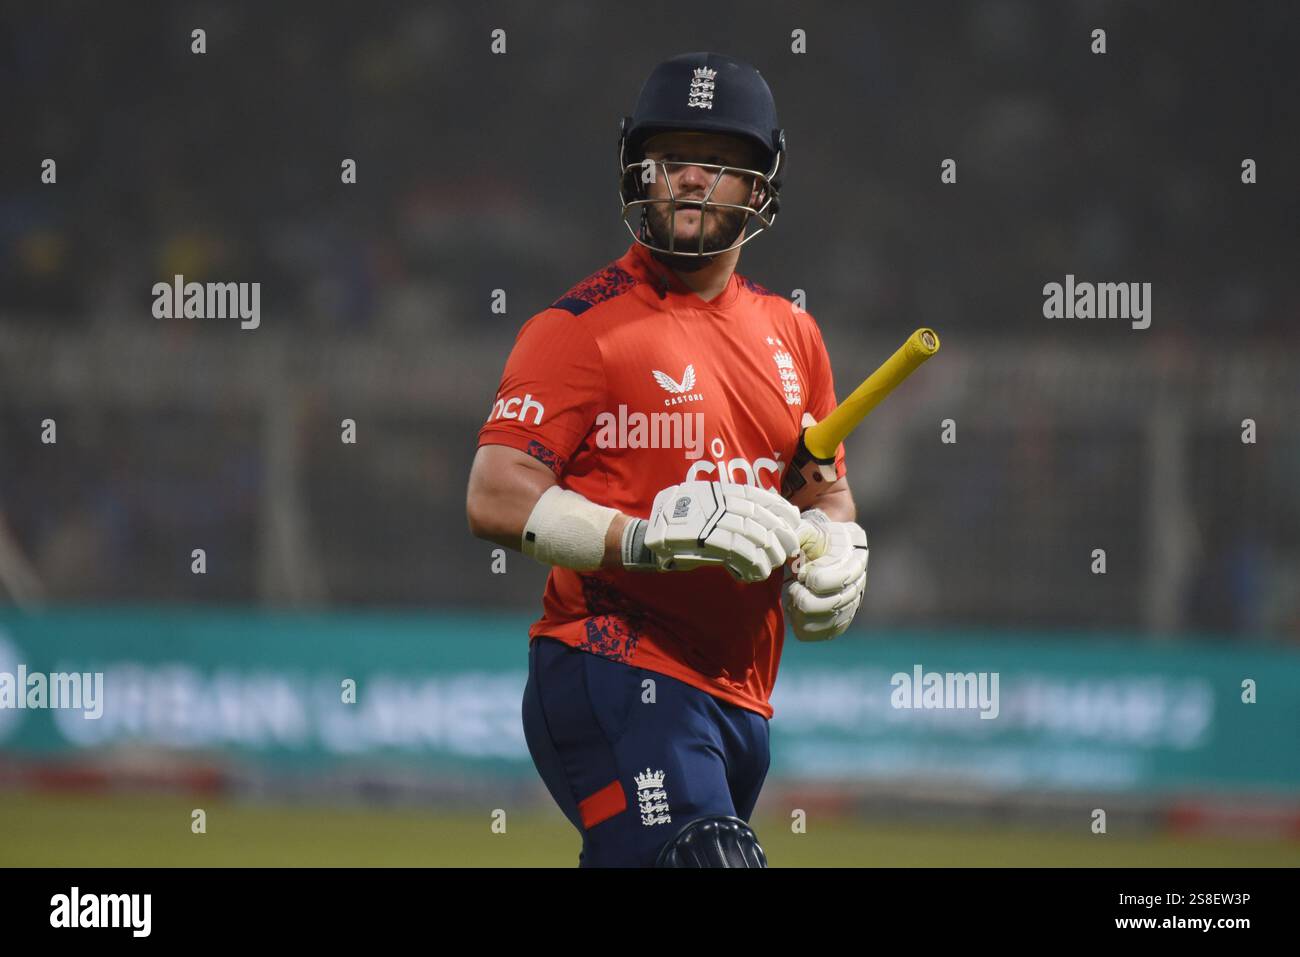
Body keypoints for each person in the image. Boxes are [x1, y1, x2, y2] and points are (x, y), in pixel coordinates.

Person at [466, 52, 868, 867]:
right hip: (611, 665)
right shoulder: (578, 328)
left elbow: (822, 493)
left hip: (740, 701)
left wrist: (837, 548)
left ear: (759, 187)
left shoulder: (795, 337)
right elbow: (495, 494)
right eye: (671, 159)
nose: (688, 178)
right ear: (638, 173)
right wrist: (643, 538)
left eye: (718, 163)